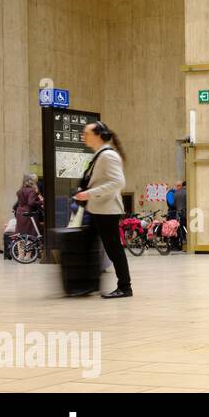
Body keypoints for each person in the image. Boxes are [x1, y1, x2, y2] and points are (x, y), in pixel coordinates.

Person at [72, 121, 131, 299]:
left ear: (98, 135)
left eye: (87, 133)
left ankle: (125, 287)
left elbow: (118, 183)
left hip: (108, 210)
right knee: (89, 246)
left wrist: (89, 193)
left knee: (114, 249)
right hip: (98, 209)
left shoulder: (108, 156)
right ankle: (88, 284)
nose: (84, 136)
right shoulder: (100, 155)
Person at [14, 173, 43, 239]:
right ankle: (32, 248)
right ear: (32, 181)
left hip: (20, 213)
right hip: (29, 214)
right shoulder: (31, 191)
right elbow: (31, 202)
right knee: (31, 233)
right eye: (35, 181)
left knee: (22, 234)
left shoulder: (21, 190)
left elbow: (19, 202)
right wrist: (41, 202)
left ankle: (22, 248)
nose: (36, 182)